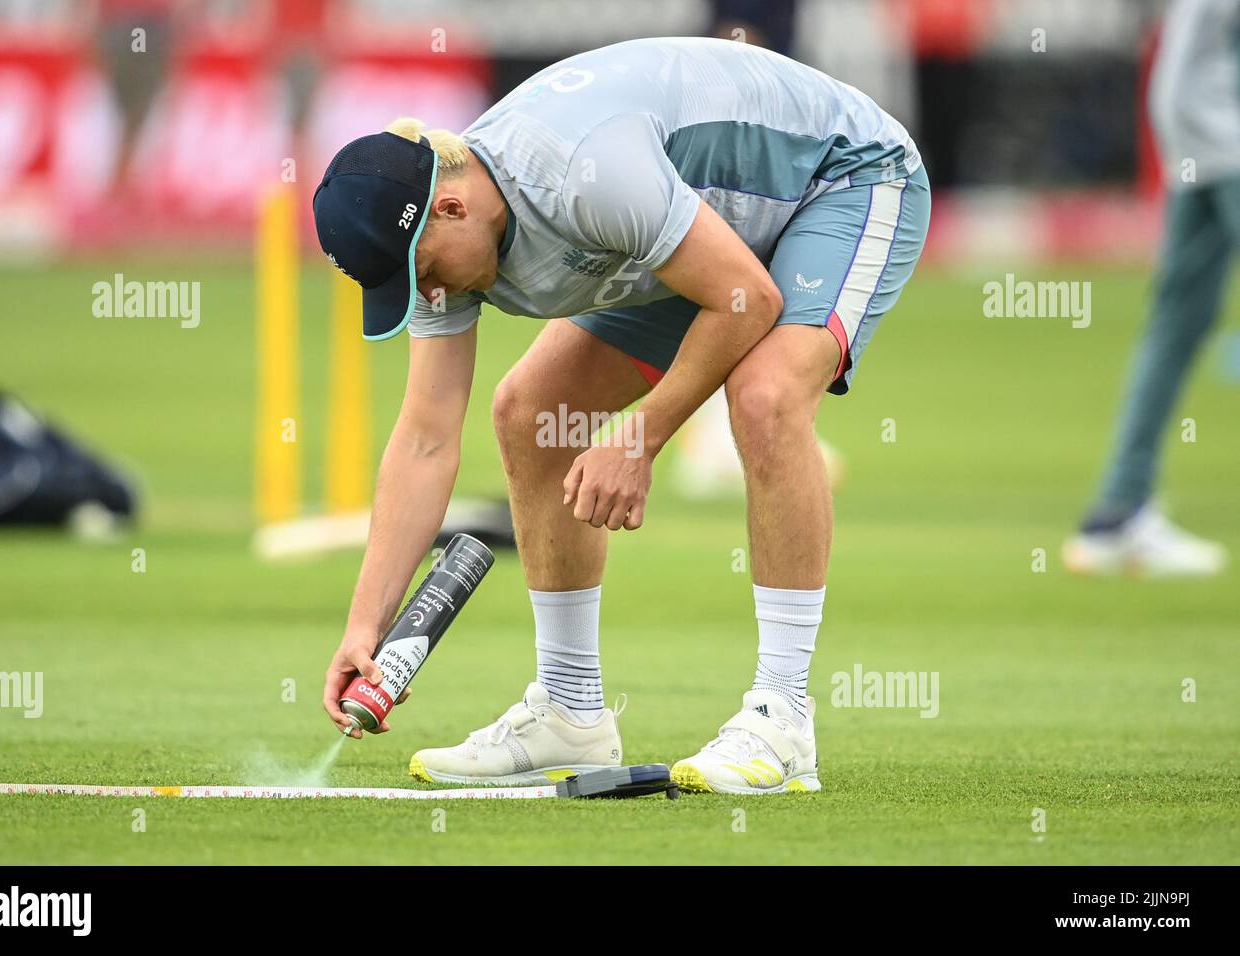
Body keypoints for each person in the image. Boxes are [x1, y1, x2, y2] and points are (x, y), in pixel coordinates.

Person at [314, 36, 930, 794]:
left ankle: (784, 718)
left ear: (451, 206)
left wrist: (638, 438)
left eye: (427, 273)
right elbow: (426, 438)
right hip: (701, 229)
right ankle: (570, 714)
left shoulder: (583, 176)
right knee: (532, 411)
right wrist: (364, 628)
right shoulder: (452, 238)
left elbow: (749, 300)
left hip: (844, 178)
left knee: (765, 398)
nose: (430, 295)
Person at [1064, 0, 1236, 578]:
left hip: (1196, 125)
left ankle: (1119, 509)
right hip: (1220, 125)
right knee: (1177, 322)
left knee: (1179, 322)